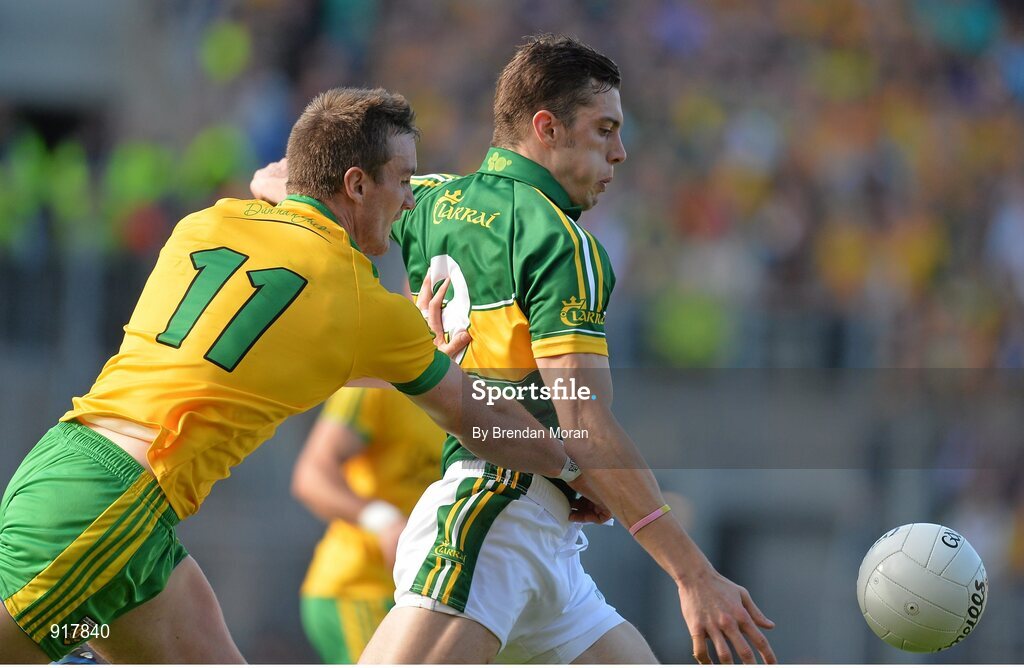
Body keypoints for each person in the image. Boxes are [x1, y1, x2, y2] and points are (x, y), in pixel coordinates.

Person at [0, 87, 588, 664]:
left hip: (77, 471)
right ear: (357, 185)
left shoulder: (207, 221)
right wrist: (572, 471)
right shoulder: (359, 299)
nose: (411, 201)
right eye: (404, 180)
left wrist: (286, 186)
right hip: (112, 508)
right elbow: (485, 416)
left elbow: (275, 191)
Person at [252, 36, 777, 665]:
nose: (619, 152)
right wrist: (693, 574)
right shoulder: (560, 240)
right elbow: (584, 421)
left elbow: (277, 180)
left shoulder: (428, 198)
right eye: (605, 130)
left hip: (541, 531)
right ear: (547, 128)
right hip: (493, 514)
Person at [292, 385, 445, 663]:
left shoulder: (489, 388)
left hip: (432, 591)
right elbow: (311, 476)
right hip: (362, 589)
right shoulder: (380, 383)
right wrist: (384, 520)